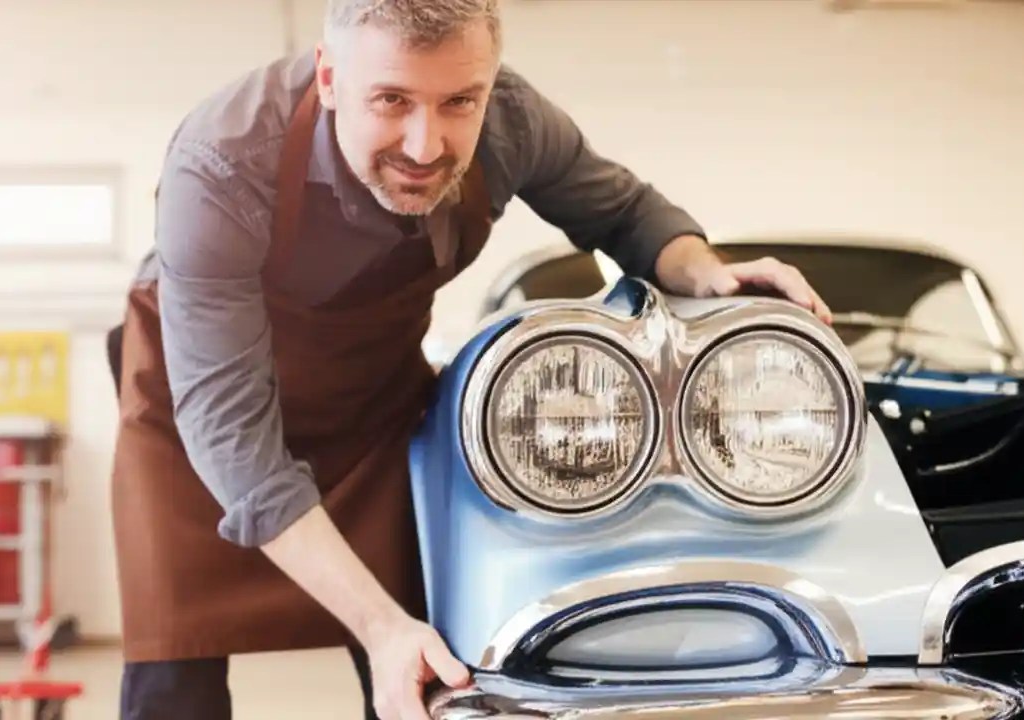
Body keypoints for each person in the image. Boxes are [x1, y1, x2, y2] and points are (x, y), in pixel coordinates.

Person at [110, 1, 832, 719]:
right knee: (175, 685)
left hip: (371, 414)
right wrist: (379, 624)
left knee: (427, 672)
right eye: (391, 100)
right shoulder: (223, 161)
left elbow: (628, 216)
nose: (426, 146)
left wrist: (708, 274)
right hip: (196, 430)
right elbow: (231, 435)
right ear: (329, 78)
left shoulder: (515, 122)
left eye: (459, 102)